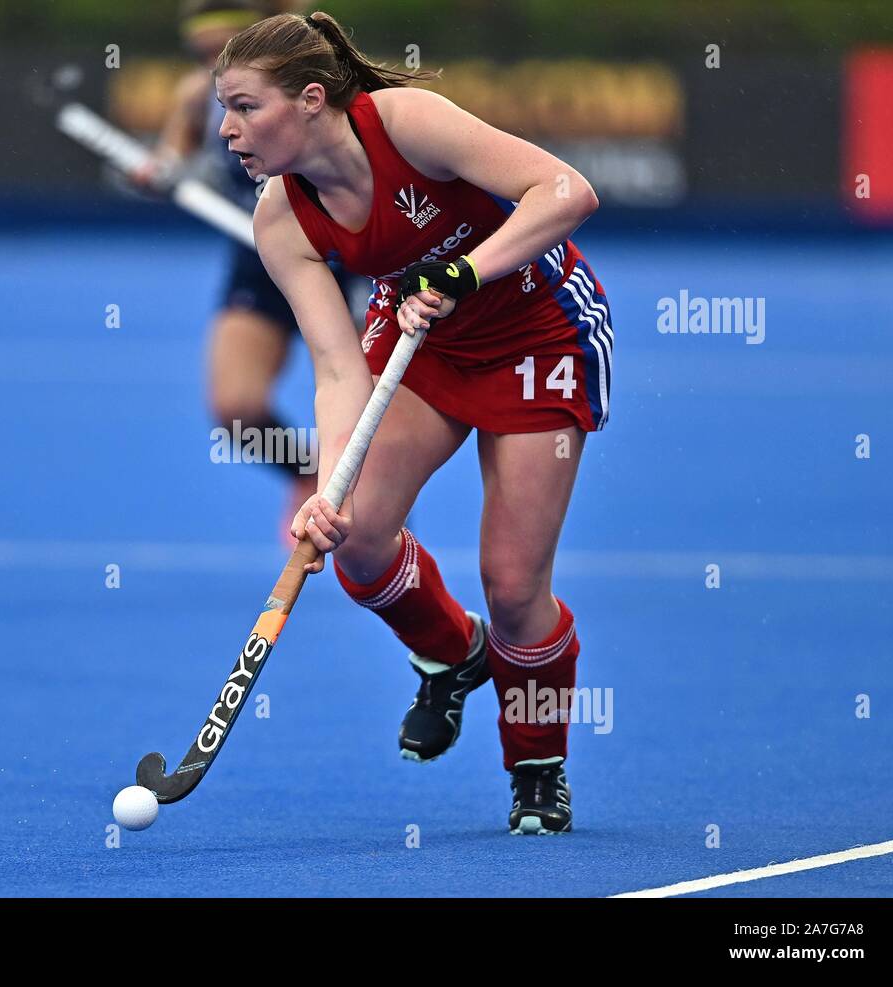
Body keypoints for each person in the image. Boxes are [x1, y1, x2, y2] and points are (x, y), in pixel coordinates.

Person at [214, 11, 614, 834]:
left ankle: (538, 764)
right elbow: (333, 367)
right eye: (226, 109)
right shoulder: (279, 218)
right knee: (354, 532)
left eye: (245, 107)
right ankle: (451, 651)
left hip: (538, 336)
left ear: (311, 100)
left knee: (512, 586)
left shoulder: (408, 124)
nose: (227, 130)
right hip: (422, 339)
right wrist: (328, 485)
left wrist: (466, 270)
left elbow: (569, 191)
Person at [132, 0, 367, 544]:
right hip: (261, 256)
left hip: (348, 258)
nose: (215, 63)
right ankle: (308, 472)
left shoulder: (318, 85)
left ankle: (372, 509)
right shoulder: (197, 97)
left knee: (369, 406)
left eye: (225, 49)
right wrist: (159, 171)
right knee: (236, 410)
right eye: (205, 53)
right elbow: (176, 159)